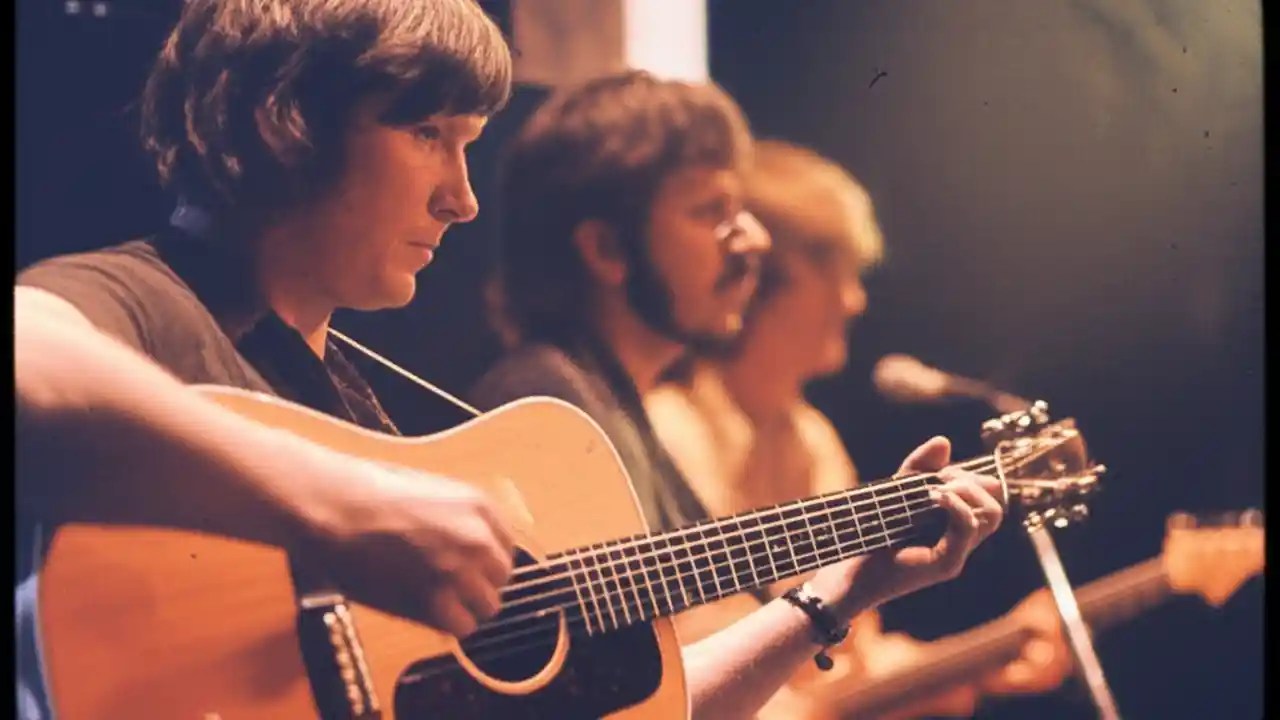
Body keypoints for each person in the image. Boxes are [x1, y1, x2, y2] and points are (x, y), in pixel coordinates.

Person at [15, 5, 999, 720]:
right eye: (427, 135)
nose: (461, 199)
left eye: (468, 147)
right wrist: (338, 505)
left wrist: (837, 595)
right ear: (290, 120)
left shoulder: (355, 407)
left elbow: (632, 709)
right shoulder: (154, 299)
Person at [471, 70, 1007, 719]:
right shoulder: (549, 414)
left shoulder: (608, 411)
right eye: (710, 213)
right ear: (607, 248)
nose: (753, 240)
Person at [645, 139, 1073, 718]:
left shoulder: (812, 439)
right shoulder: (667, 435)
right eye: (834, 271)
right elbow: (685, 676)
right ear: (764, 278)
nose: (854, 300)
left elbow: (852, 663)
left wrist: (991, 656)